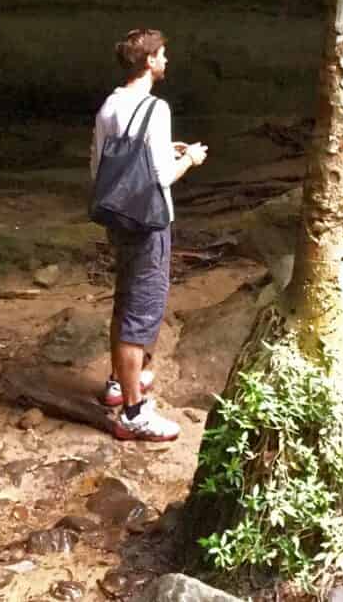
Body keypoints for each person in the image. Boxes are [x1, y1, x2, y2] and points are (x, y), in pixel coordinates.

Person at [89, 28, 207, 442]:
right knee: (141, 313)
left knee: (124, 302)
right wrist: (189, 159)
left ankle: (119, 385)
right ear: (150, 61)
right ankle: (134, 413)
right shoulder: (156, 108)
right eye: (163, 55)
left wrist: (162, 149)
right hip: (149, 223)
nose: (166, 62)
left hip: (117, 219)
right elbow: (161, 178)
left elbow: (100, 166)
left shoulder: (110, 105)